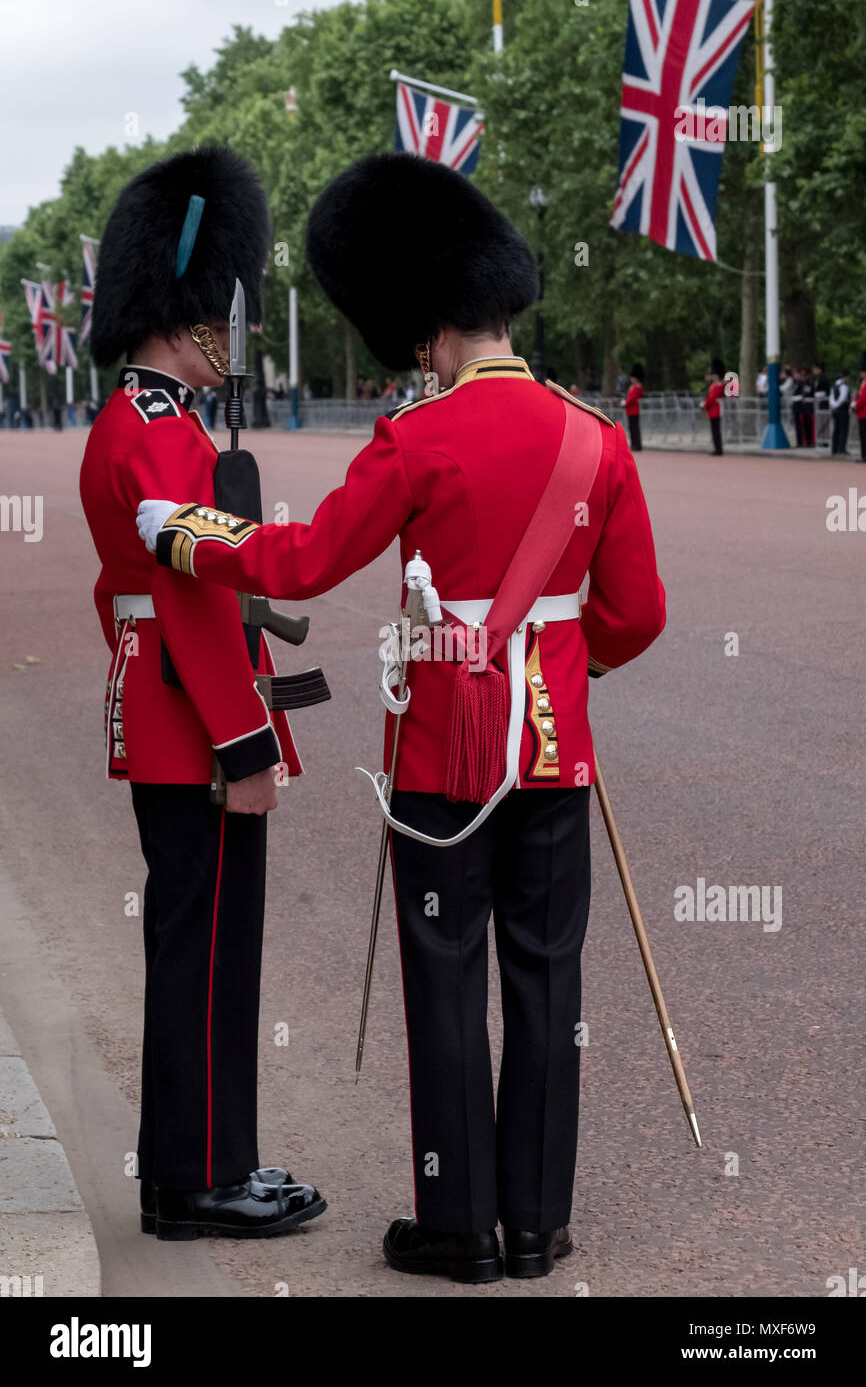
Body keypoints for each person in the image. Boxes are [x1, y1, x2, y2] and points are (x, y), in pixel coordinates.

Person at [136, 152, 666, 1283]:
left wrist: (185, 532)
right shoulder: (595, 436)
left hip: (440, 756)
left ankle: (456, 1223)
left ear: (425, 328)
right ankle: (535, 1226)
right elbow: (638, 614)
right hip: (552, 752)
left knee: (442, 981)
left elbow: (305, 559)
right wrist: (565, 673)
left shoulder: (415, 439)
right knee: (546, 983)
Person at [79, 147, 326, 1242]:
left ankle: (197, 1162)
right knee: (212, 946)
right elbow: (190, 606)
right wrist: (246, 748)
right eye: (221, 312)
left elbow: (118, 596)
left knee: (196, 941)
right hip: (196, 722)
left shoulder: (133, 422)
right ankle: (204, 1178)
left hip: (162, 709)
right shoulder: (161, 431)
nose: (235, 333)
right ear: (187, 319)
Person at [701, 359, 725, 455]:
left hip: (715, 410)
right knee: (715, 430)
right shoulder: (716, 385)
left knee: (716, 431)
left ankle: (718, 449)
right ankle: (717, 448)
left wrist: (704, 405)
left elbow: (711, 398)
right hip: (714, 409)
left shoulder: (717, 386)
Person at [625, 362, 644, 452]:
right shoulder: (632, 387)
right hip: (630, 410)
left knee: (635, 428)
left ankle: (637, 444)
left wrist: (625, 403)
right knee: (632, 428)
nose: (631, 379)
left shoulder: (637, 387)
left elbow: (632, 398)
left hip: (634, 410)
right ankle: (634, 444)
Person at [830, 371, 851, 455]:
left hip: (835, 410)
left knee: (836, 430)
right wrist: (837, 405)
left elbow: (831, 397)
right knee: (843, 430)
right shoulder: (844, 386)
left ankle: (834, 449)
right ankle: (841, 449)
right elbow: (843, 398)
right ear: (845, 377)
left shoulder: (835, 385)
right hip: (842, 409)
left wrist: (833, 405)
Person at [853, 353, 866, 463]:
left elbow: (863, 399)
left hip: (864, 412)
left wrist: (855, 407)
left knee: (864, 436)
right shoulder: (863, 382)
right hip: (862, 412)